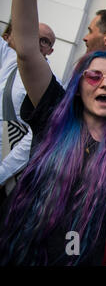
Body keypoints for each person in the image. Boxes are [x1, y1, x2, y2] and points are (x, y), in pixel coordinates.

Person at [0, 0, 106, 266]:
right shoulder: (53, 113)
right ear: (77, 88)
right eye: (94, 77)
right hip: (17, 249)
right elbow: (27, 50)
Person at [0, 21, 55, 205]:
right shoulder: (7, 57)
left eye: (45, 41)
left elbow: (36, 136)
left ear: (50, 51)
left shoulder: (51, 86)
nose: (37, 41)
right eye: (33, 35)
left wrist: (4, 171)